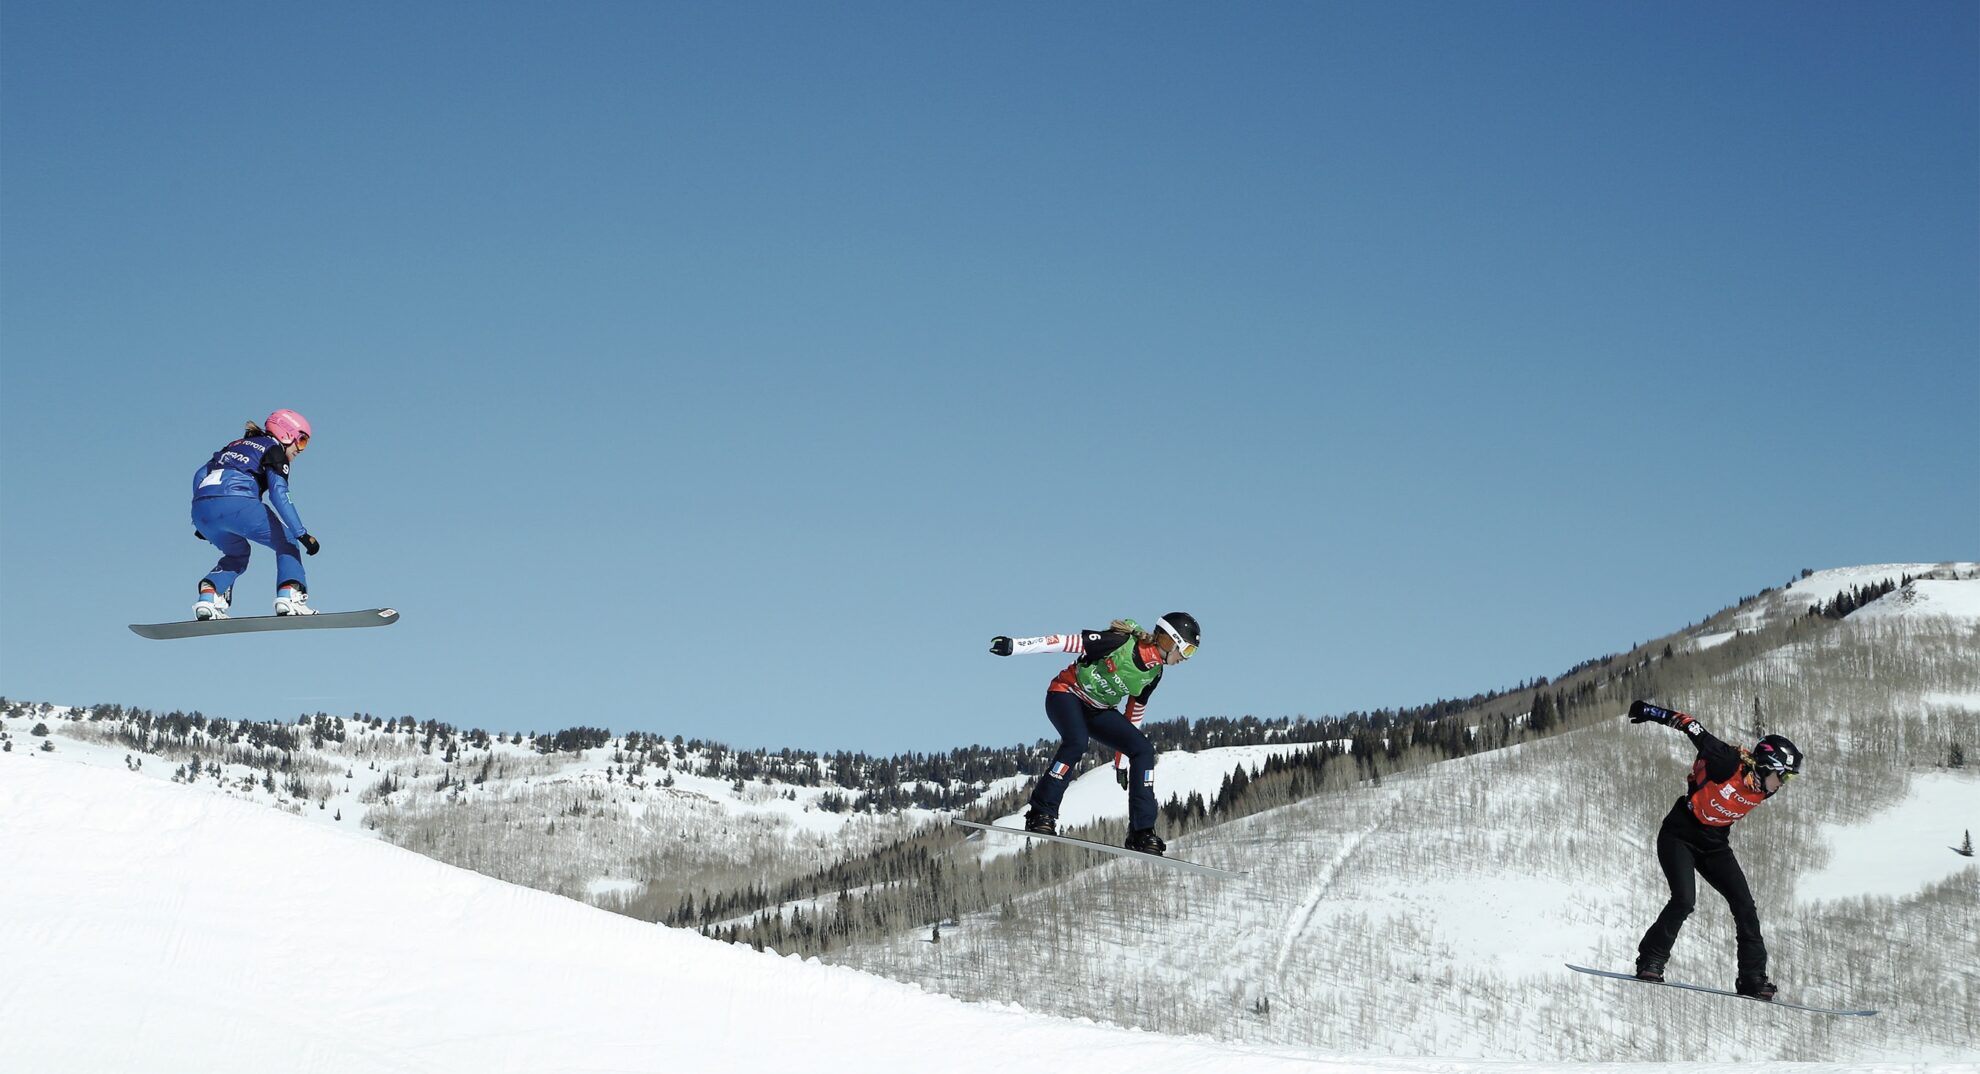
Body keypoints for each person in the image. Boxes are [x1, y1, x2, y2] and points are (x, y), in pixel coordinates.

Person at [1627, 699, 1803, 1000]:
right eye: (1782, 776)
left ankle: (1752, 978)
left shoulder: (1765, 789)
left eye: (1787, 779)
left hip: (1714, 845)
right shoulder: (1727, 761)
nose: (1782, 785)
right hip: (1678, 836)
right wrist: (1649, 711)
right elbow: (1690, 725)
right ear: (1765, 766)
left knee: (1745, 906)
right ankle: (1651, 960)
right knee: (1684, 900)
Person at [988, 613, 1200, 855]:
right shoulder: (1120, 643)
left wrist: (1122, 763)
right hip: (1066, 694)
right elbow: (1063, 642)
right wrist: (1015, 646)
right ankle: (1041, 812)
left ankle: (1142, 833)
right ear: (1170, 640)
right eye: (1188, 651)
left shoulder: (1154, 674)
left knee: (1143, 750)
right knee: (1077, 742)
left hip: (1098, 710)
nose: (1186, 658)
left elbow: (1134, 715)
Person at [189, 410, 320, 620]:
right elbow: (279, 493)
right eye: (302, 440)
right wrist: (301, 533)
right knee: (287, 543)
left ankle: (210, 594)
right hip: (239, 503)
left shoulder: (234, 445)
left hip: (202, 509)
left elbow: (200, 474)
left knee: (237, 553)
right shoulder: (275, 450)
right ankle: (289, 596)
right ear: (286, 434)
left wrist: (202, 517)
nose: (301, 449)